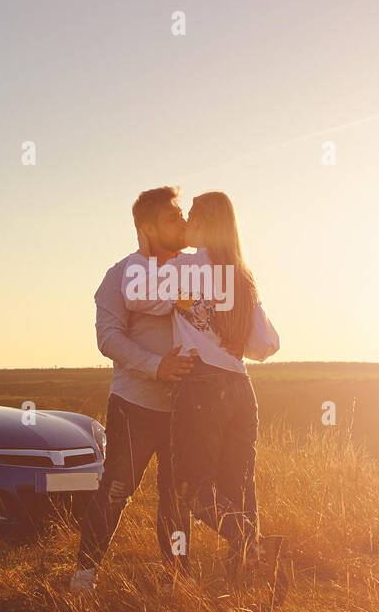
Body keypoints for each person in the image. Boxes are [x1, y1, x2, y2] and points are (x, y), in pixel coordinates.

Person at [124, 191, 281, 586]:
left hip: (201, 387)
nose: (187, 223)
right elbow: (267, 345)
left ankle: (254, 545)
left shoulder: (184, 268)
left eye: (192, 215)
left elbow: (136, 297)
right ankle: (250, 582)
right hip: (240, 389)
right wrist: (235, 339)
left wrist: (149, 252)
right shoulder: (242, 275)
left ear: (207, 223)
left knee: (191, 489)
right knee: (240, 488)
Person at [69, 187, 194, 591]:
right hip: (134, 406)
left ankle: (177, 577)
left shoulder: (198, 271)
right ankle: (85, 574)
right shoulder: (120, 275)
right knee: (117, 489)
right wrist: (157, 366)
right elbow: (108, 338)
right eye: (174, 217)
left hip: (186, 409)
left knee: (178, 496)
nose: (184, 221)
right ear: (149, 229)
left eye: (183, 214)